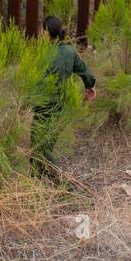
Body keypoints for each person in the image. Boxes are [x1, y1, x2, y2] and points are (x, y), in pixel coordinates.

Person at [32, 15, 96, 178]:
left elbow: (34, 80)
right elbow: (84, 71)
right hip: (61, 105)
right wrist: (90, 86)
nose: (40, 34)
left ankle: (57, 177)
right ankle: (41, 176)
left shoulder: (42, 54)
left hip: (43, 105)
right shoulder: (69, 51)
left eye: (42, 30)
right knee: (47, 142)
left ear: (46, 32)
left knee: (38, 145)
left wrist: (27, 101)